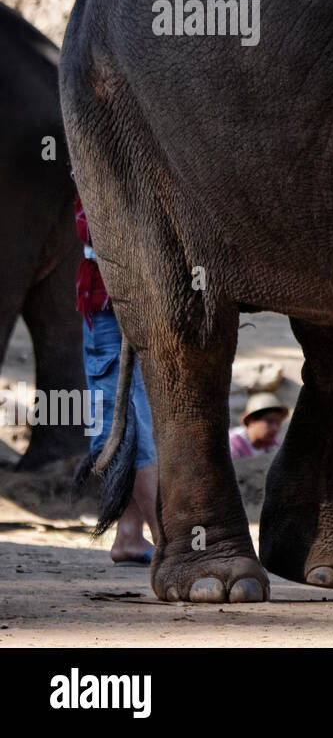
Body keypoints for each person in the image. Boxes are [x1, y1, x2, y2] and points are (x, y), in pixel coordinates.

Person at [74, 193, 159, 565]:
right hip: (115, 302)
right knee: (122, 421)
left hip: (125, 300)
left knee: (130, 417)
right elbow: (98, 229)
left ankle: (130, 535)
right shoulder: (101, 173)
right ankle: (166, 538)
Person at [229, 392, 289, 460]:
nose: (275, 428)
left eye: (278, 422)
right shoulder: (233, 444)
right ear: (251, 421)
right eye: (270, 421)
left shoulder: (274, 443)